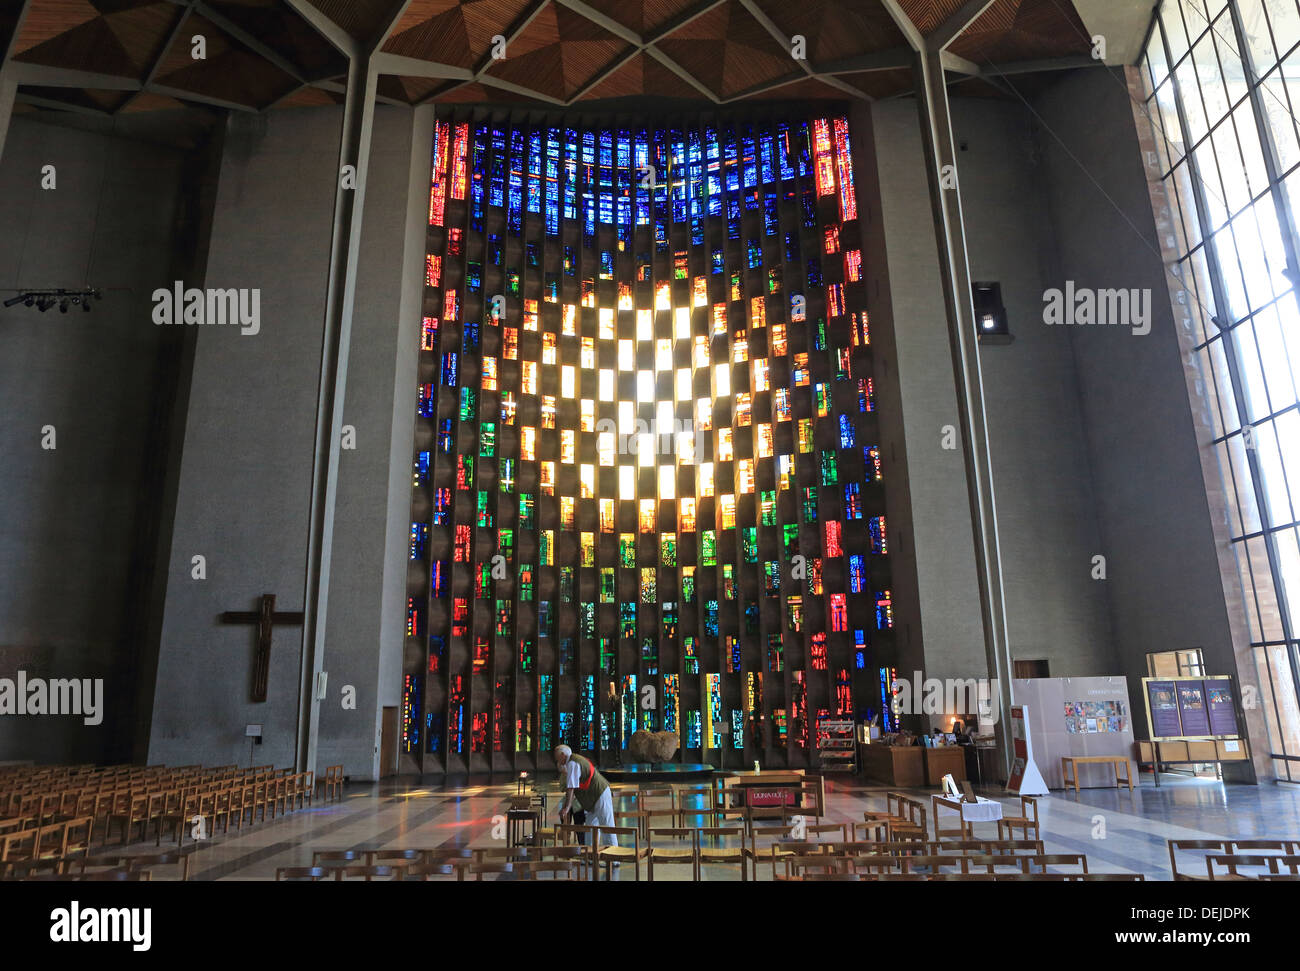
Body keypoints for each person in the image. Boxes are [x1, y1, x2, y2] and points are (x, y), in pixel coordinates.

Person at [554, 744, 617, 851]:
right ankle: (590, 855)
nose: (557, 760)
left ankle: (614, 857)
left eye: (557, 757)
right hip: (592, 799)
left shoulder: (573, 763)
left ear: (563, 755)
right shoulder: (572, 762)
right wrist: (566, 806)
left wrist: (567, 807)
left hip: (599, 794)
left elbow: (571, 788)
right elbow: (572, 789)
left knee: (607, 824)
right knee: (590, 826)